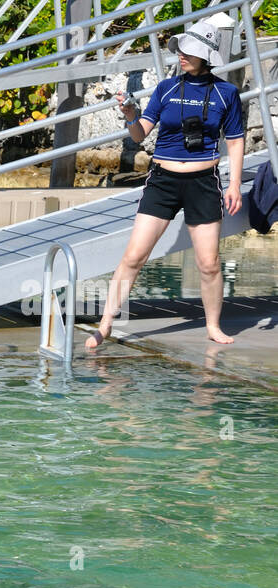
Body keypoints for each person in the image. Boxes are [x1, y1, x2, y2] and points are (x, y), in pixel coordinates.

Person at [88, 19, 244, 350]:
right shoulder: (166, 89)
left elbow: (235, 139)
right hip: (163, 181)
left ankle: (213, 326)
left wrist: (233, 185)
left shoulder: (226, 93)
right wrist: (130, 114)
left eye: (189, 51)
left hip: (203, 181)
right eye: (181, 50)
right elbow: (140, 134)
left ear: (205, 56)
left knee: (209, 263)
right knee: (134, 256)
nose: (181, 56)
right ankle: (104, 325)